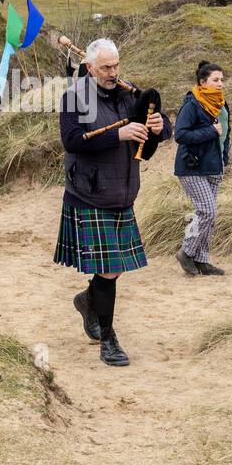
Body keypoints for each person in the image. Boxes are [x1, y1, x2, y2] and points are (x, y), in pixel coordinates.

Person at [54, 38, 169, 367]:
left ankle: (88, 299)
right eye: (105, 67)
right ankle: (108, 339)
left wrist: (160, 127)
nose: (112, 72)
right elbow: (72, 140)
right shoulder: (74, 97)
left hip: (122, 191)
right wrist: (118, 134)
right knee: (109, 269)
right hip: (89, 192)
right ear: (89, 68)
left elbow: (151, 135)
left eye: (116, 65)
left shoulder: (129, 94)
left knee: (111, 270)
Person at [173, 61, 231, 276]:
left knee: (208, 215)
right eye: (215, 80)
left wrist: (224, 157)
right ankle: (186, 252)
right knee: (207, 211)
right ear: (202, 82)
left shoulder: (221, 103)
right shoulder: (192, 104)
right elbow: (180, 135)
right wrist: (210, 131)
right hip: (192, 166)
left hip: (215, 166)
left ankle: (202, 260)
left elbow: (225, 133)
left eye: (221, 80)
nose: (220, 84)